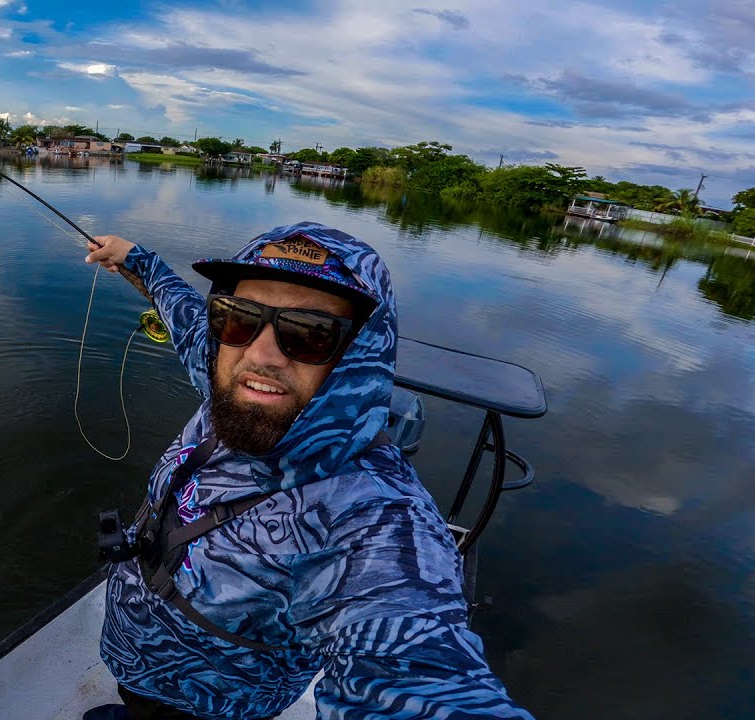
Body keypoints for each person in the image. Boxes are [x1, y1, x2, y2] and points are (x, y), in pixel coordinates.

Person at [82, 222, 532, 720]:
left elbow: (416, 672)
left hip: (207, 708)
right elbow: (186, 316)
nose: (259, 353)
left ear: (360, 353)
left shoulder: (373, 521)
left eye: (309, 333)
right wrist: (135, 259)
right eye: (237, 316)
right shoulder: (229, 378)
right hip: (134, 662)